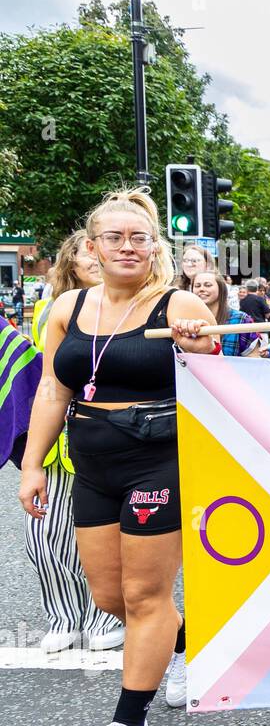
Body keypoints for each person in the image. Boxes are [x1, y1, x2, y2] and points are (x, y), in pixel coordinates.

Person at [18, 187, 217, 726]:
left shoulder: (177, 301)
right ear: (93, 245)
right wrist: (31, 466)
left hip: (159, 460)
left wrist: (196, 341)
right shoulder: (67, 309)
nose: (127, 246)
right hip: (91, 464)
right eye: (114, 237)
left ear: (154, 245)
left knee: (145, 594)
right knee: (109, 600)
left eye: (139, 237)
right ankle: (190, 643)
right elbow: (54, 390)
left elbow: (213, 360)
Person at [26, 231, 124, 652]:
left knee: (106, 535)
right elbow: (45, 380)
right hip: (57, 444)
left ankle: (106, 616)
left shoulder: (132, 310)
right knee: (44, 537)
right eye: (89, 255)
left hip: (110, 441)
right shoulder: (49, 311)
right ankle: (64, 614)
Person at [193, 271, 261, 357]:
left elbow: (253, 361)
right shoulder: (186, 320)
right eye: (197, 286)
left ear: (221, 289)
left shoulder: (241, 319)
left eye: (208, 285)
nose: (201, 289)